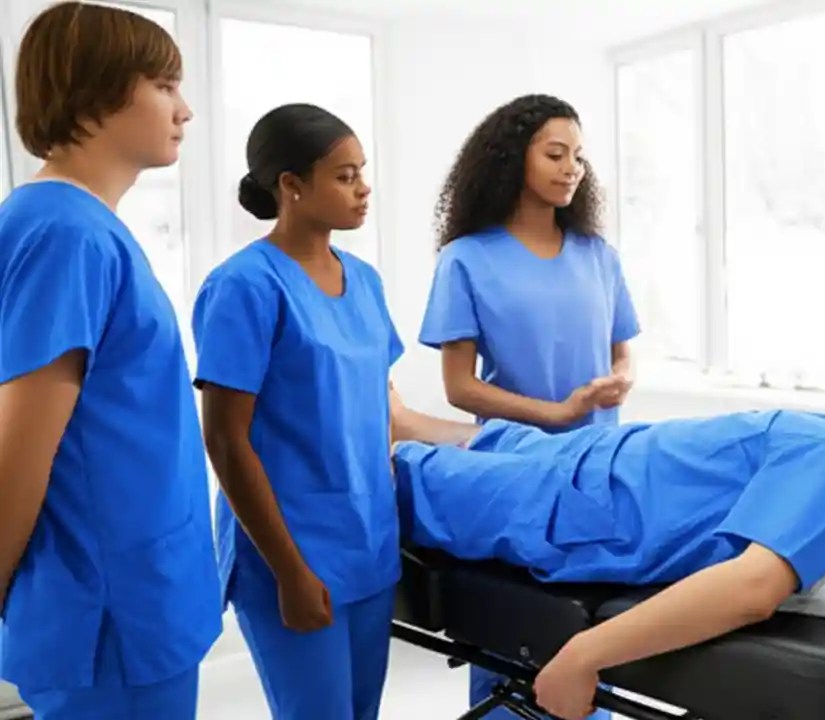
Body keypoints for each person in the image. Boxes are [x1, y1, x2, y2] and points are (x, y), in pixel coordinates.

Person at [390, 376, 825, 720]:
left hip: (560, 506)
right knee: (417, 427)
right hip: (571, 462)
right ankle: (404, 422)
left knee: (351, 469)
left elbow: (752, 588)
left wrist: (580, 655)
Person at [0, 3, 222, 718]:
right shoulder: (61, 230)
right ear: (94, 92)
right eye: (163, 85)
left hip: (140, 597)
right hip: (106, 609)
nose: (183, 109)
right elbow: (19, 449)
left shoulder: (88, 227)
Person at [418, 93, 640, 717]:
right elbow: (460, 386)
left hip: (597, 473)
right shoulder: (466, 259)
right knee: (516, 645)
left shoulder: (598, 256)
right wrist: (556, 414)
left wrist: (617, 382)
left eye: (578, 156)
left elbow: (622, 353)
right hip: (512, 475)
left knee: (594, 637)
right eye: (555, 153)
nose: (572, 167)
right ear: (513, 158)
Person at [192, 104, 401, 720]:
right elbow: (226, 441)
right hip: (291, 551)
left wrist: (484, 439)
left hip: (369, 544)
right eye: (344, 175)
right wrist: (290, 571)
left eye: (363, 172)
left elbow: (380, 406)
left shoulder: (364, 280)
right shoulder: (245, 286)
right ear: (291, 185)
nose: (363, 188)